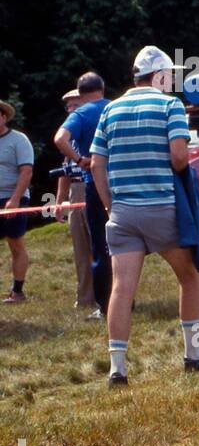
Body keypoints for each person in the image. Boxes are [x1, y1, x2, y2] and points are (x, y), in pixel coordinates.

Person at [89, 46, 199, 385]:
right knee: (189, 277)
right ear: (158, 76)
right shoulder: (170, 105)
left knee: (122, 289)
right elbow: (179, 157)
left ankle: (118, 368)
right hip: (161, 208)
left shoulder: (110, 110)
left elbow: (96, 164)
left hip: (122, 214)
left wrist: (108, 204)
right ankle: (194, 353)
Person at [54, 72, 114, 317]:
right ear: (102, 87)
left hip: (94, 185)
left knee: (99, 246)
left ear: (80, 93)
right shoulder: (116, 107)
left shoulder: (82, 115)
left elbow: (59, 139)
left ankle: (103, 304)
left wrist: (80, 160)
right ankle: (124, 298)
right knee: (122, 244)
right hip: (121, 182)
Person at [54, 88, 95, 313]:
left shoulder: (91, 131)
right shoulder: (69, 138)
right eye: (68, 106)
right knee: (80, 248)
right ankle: (85, 297)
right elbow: (64, 172)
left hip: (93, 186)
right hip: (76, 192)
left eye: (75, 105)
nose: (70, 110)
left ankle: (108, 293)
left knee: (99, 244)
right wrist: (60, 202)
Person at [0, 100, 34, 304]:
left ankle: (18, 291)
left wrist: (14, 200)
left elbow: (26, 171)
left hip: (13, 197)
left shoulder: (19, 140)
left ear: (4, 117)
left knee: (15, 243)